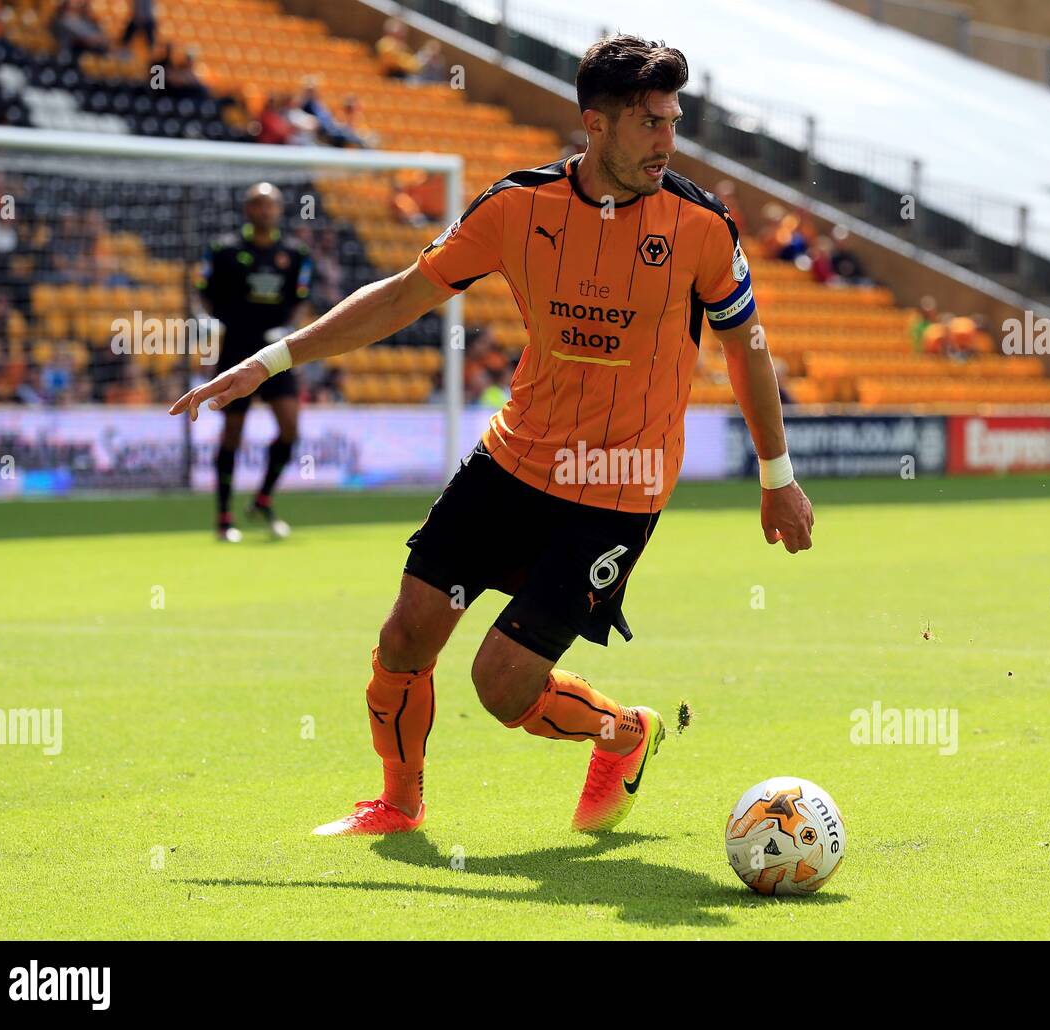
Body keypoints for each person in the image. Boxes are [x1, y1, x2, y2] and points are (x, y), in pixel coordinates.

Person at [170, 35, 813, 837]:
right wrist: (269, 361)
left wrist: (776, 475)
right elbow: (404, 296)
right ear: (596, 125)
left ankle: (625, 733)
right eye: (650, 123)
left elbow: (745, 347)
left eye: (672, 122)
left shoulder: (701, 226)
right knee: (405, 636)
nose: (666, 141)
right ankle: (398, 806)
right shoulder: (518, 207)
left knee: (502, 685)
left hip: (619, 488)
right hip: (513, 460)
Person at [192, 183, 312, 542]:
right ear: (247, 210)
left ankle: (262, 499)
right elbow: (201, 293)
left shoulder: (295, 254)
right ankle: (224, 517)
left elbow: (301, 299)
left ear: (279, 210)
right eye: (258, 205)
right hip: (236, 350)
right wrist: (206, 321)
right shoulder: (224, 250)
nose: (265, 211)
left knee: (290, 427)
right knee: (232, 433)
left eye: (271, 205)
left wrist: (290, 327)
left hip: (277, 350)